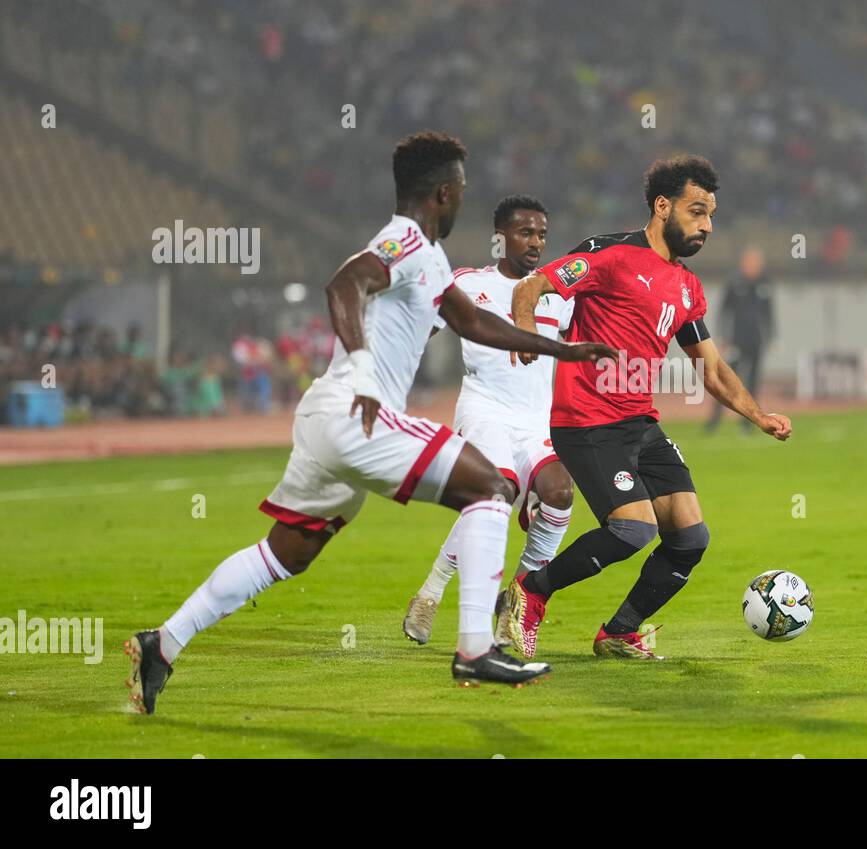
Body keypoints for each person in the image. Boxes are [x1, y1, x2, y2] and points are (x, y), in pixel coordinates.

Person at [125, 132, 615, 713]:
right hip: (356, 412)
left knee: (285, 554)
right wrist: (360, 371)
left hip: (326, 423)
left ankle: (163, 643)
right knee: (491, 488)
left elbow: (479, 325)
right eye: (458, 189)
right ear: (443, 193)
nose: (461, 200)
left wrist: (567, 351)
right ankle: (476, 646)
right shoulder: (404, 239)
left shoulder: (431, 261)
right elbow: (345, 284)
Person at [501, 155, 792, 660]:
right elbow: (533, 285)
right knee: (634, 529)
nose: (707, 226)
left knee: (690, 538)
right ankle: (530, 591)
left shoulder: (687, 287)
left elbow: (713, 368)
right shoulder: (608, 253)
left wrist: (758, 415)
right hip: (587, 422)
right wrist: (526, 329)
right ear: (663, 206)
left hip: (639, 423)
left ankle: (619, 632)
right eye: (697, 211)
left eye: (711, 215)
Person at [402, 194, 576, 647]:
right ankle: (431, 593)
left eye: (541, 233)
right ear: (499, 239)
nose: (535, 241)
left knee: (559, 494)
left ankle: (515, 599)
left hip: (535, 421)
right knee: (497, 494)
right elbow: (423, 328)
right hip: (484, 410)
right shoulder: (467, 282)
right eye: (525, 232)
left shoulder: (558, 295)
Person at [705, 246, 774, 433]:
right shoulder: (734, 283)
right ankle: (714, 421)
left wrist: (769, 335)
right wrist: (722, 337)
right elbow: (723, 312)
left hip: (755, 341)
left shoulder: (764, 283)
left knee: (753, 382)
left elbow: (769, 314)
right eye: (749, 263)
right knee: (727, 381)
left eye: (756, 263)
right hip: (735, 340)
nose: (752, 266)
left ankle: (748, 423)